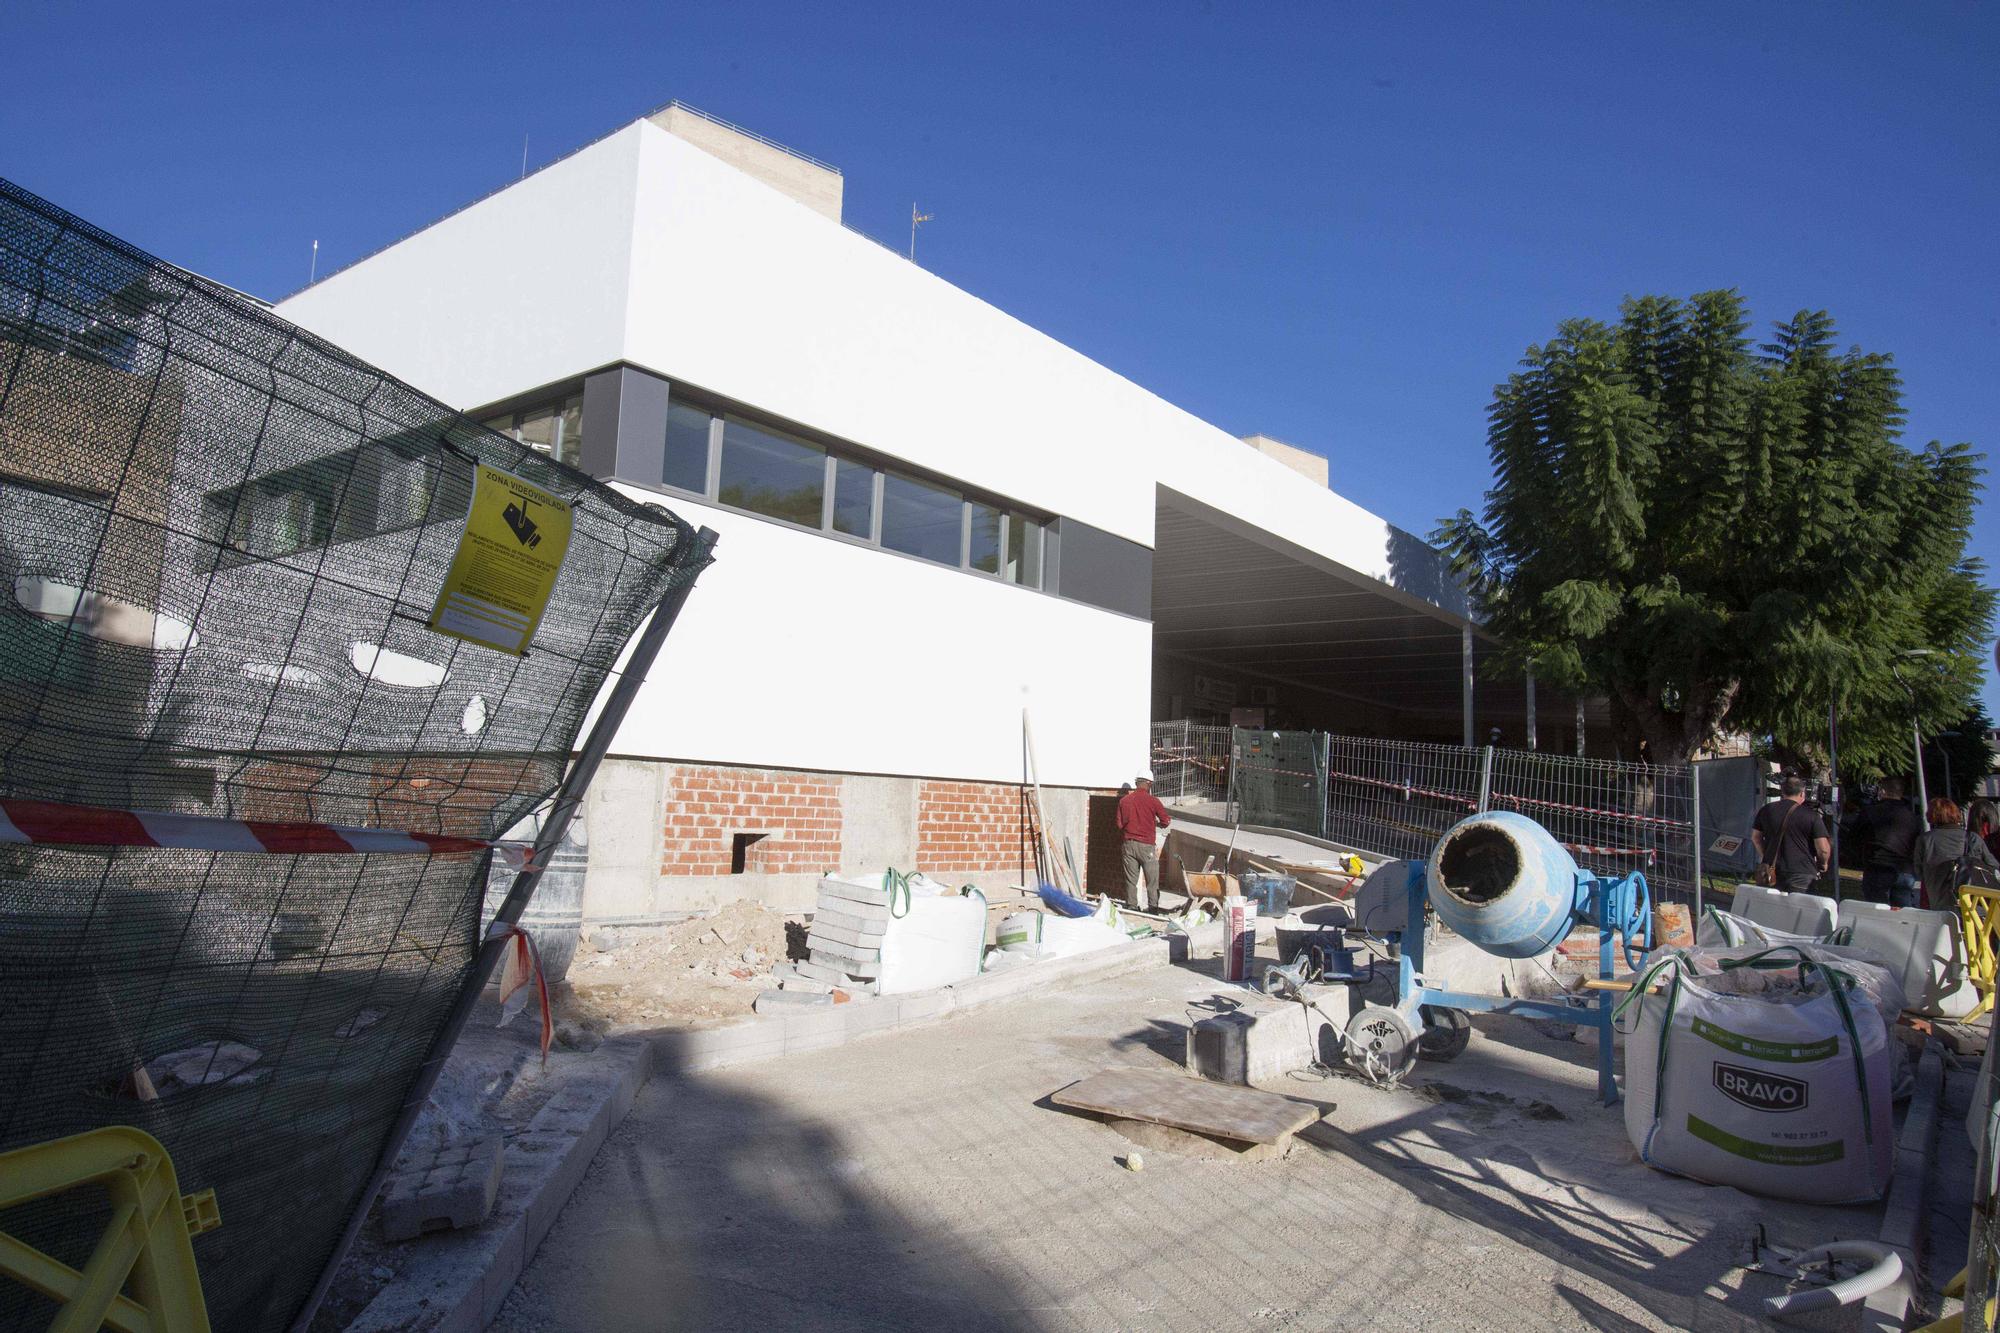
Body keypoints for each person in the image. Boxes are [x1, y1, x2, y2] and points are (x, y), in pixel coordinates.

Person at [1915, 797, 2000, 911]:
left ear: (1931, 815)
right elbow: (1993, 867)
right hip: (1971, 903)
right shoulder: (1972, 838)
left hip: (1938, 902)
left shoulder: (1924, 840)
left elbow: (1918, 871)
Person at [1750, 773, 1831, 893]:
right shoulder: (1811, 816)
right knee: (1800, 909)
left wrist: (1766, 856)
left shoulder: (1766, 810)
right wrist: (1823, 864)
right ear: (1802, 793)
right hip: (1802, 872)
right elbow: (1823, 848)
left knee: (1772, 908)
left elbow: (1756, 838)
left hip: (1772, 871)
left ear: (1782, 792)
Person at [1855, 776, 1922, 907]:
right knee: (1902, 912)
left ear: (1883, 791)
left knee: (1877, 909)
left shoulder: (1871, 812)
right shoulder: (1912, 818)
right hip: (1904, 870)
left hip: (1878, 867)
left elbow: (1855, 838)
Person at [1116, 770, 1172, 913]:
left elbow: (1119, 824)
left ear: (1136, 783)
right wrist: (1157, 824)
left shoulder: (1124, 801)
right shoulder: (1153, 801)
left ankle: (1132, 906)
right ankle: (1153, 908)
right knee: (1152, 880)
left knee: (1131, 880)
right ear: (1149, 783)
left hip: (1128, 845)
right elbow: (1166, 821)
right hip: (1147, 846)